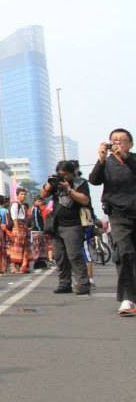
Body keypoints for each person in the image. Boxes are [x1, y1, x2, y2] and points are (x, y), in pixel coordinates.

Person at [89, 128, 136, 315]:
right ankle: (127, 298)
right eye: (113, 140)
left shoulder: (133, 160)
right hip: (118, 215)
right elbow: (93, 180)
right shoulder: (106, 163)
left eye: (121, 140)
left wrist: (125, 157)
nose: (117, 143)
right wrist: (100, 159)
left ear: (130, 143)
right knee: (124, 253)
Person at [40, 160, 92, 295]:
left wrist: (69, 189)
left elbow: (84, 200)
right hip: (57, 225)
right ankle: (64, 283)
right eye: (60, 174)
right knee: (59, 256)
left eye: (65, 175)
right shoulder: (56, 183)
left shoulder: (80, 183)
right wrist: (49, 184)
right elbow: (42, 196)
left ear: (72, 173)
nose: (63, 177)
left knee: (74, 255)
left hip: (73, 225)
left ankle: (83, 284)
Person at [8, 188, 31, 274]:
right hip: (18, 227)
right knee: (16, 247)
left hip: (23, 226)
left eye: (24, 194)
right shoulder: (15, 205)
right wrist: (17, 229)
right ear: (17, 195)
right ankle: (13, 266)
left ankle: (22, 266)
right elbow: (14, 218)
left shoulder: (22, 205)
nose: (23, 196)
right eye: (21, 194)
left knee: (23, 247)